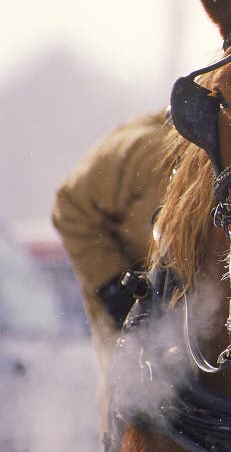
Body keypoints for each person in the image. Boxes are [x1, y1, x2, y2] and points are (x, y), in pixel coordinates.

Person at [51, 111, 168, 445]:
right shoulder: (142, 150)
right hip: (124, 298)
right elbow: (70, 206)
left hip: (188, 310)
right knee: (129, 399)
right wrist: (114, 285)